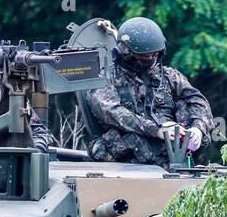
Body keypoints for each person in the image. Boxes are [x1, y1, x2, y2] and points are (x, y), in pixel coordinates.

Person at [87, 16, 214, 165]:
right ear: (125, 53)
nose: (150, 59)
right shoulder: (107, 77)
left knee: (189, 110)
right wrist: (157, 130)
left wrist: (197, 129)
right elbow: (110, 111)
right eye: (143, 56)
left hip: (172, 155)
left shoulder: (169, 76)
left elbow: (198, 101)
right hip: (129, 157)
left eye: (154, 55)